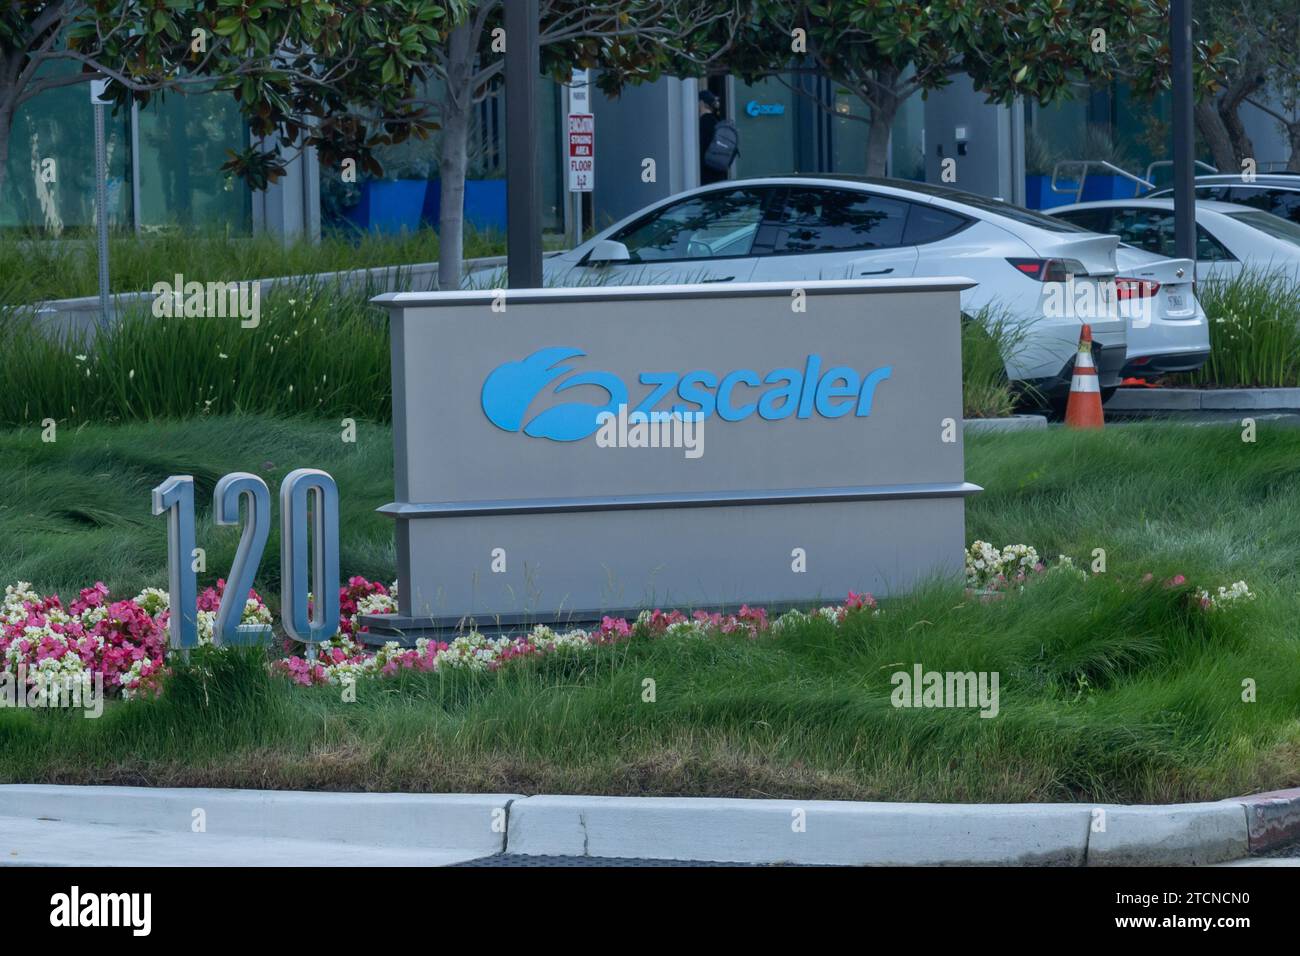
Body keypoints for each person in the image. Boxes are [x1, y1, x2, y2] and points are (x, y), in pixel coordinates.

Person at [699, 90, 730, 185]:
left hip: (708, 175)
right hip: (718, 171)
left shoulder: (704, 122)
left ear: (701, 103)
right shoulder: (716, 121)